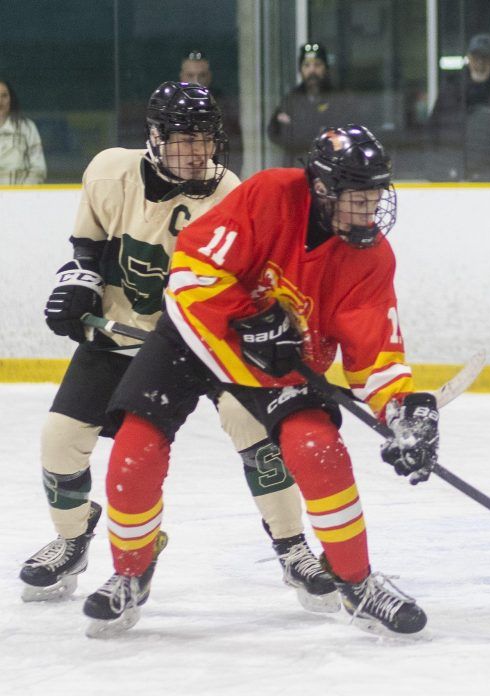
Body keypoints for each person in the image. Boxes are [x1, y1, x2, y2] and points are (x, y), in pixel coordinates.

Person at [81, 124, 437, 638]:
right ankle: (130, 574)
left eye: (376, 196)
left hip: (279, 356)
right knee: (136, 446)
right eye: (357, 198)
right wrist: (248, 314)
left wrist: (402, 411)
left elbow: (374, 354)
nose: (370, 211)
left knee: (318, 448)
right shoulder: (272, 192)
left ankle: (358, 585)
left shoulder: (371, 257)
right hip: (199, 333)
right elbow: (192, 268)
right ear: (321, 189)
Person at [20, 82, 338, 613]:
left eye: (207, 140)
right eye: (185, 140)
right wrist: (76, 286)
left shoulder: (227, 190)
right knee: (60, 439)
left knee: (251, 426)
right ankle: (74, 539)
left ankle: (291, 544)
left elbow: (242, 277)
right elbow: (86, 251)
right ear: (154, 138)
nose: (199, 153)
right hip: (119, 336)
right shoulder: (108, 172)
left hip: (205, 342)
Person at [426, 33, 490, 180]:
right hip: (450, 179)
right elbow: (431, 136)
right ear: (468, 58)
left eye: (485, 58)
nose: (480, 63)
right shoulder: (450, 93)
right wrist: (441, 172)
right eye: (476, 57)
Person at [267, 42, 340, 166]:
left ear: (325, 68)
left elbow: (337, 135)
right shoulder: (292, 99)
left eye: (317, 65)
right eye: (307, 65)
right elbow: (273, 131)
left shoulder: (338, 98)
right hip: (297, 165)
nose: (312, 70)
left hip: (330, 166)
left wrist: (296, 127)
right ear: (300, 70)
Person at [180, 51, 243, 177]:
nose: (196, 81)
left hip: (215, 173)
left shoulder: (223, 105)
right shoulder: (171, 106)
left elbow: (233, 145)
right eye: (190, 75)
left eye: (201, 75)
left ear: (209, 77)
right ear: (182, 77)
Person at [0, 79, 46, 184]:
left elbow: (38, 169)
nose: (0, 101)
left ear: (11, 99)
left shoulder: (27, 128)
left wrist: (23, 193)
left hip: (20, 197)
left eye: (4, 96)